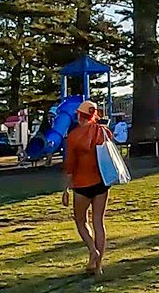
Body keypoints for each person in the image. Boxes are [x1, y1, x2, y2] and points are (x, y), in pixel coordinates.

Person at [63, 100, 113, 276]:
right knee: (99, 222)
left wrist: (66, 189)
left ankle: (92, 250)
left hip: (82, 184)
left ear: (79, 115)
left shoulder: (74, 136)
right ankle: (98, 266)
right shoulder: (103, 132)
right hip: (102, 182)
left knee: (81, 221)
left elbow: (70, 164)